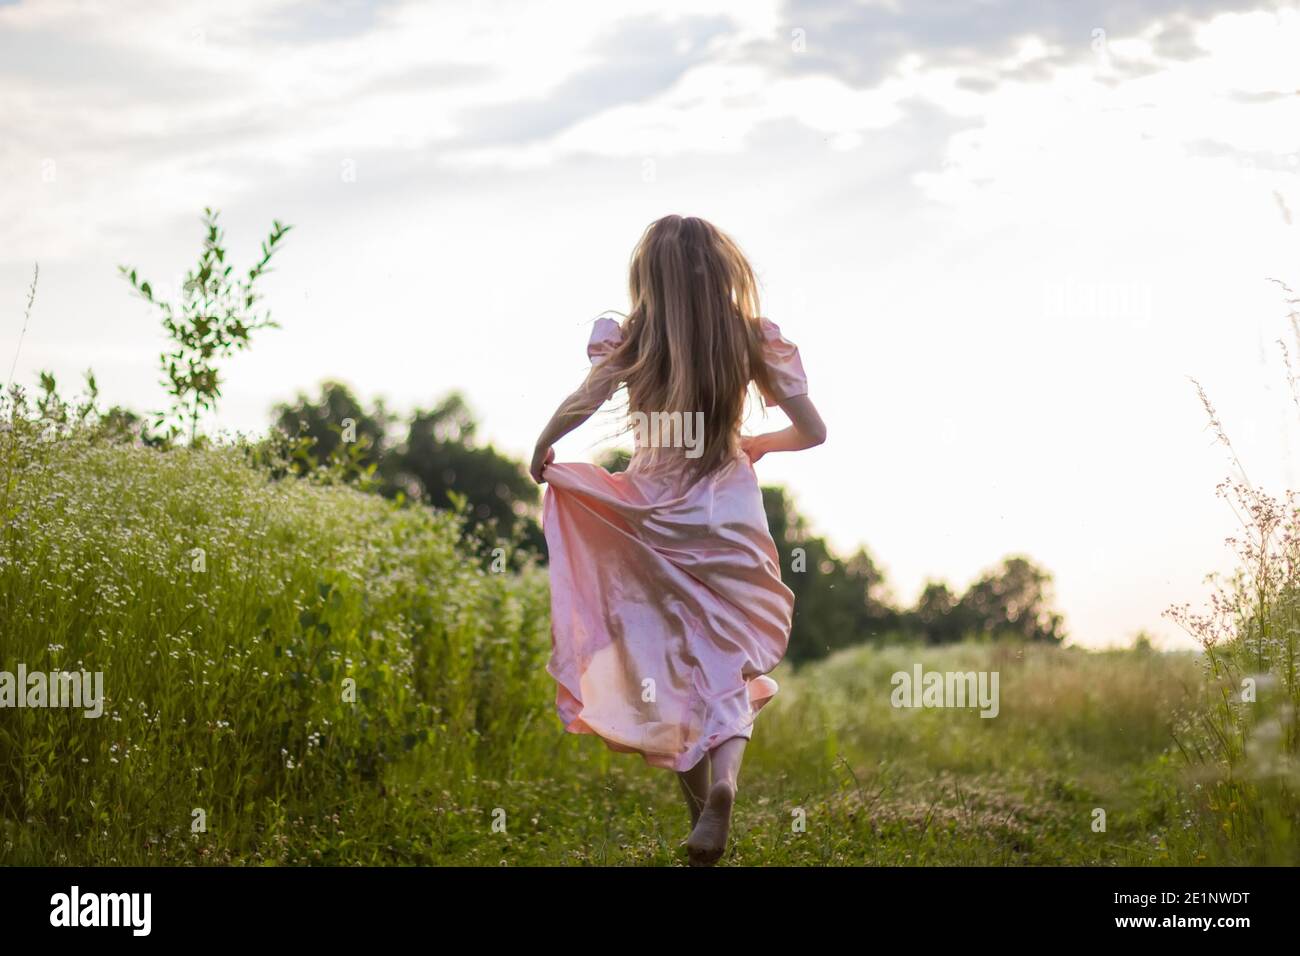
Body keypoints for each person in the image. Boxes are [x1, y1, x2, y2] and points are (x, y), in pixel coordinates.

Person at [530, 214, 826, 866]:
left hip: (654, 514)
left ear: (649, 275)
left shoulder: (634, 337)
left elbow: (589, 396)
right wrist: (759, 442)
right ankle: (723, 789)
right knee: (725, 667)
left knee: (665, 672)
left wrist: (545, 441)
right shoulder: (749, 339)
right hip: (728, 513)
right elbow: (813, 430)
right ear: (721, 271)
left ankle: (702, 817)